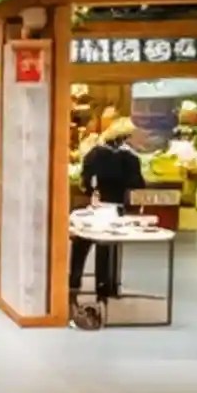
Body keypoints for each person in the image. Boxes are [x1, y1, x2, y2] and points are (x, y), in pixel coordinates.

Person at [69, 116, 146, 299]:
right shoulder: (130, 159)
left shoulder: (94, 154)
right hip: (116, 209)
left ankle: (74, 281)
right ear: (126, 136)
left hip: (94, 207)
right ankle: (103, 287)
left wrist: (92, 190)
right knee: (106, 250)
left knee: (81, 244)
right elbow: (137, 184)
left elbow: (85, 181)